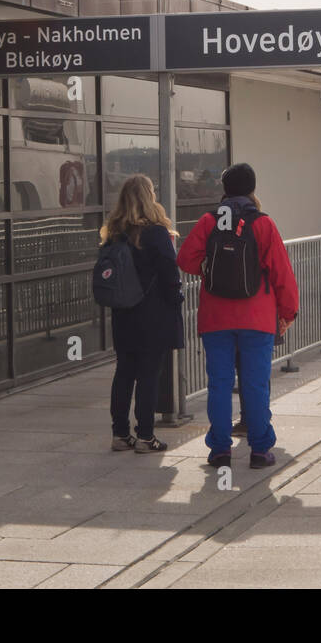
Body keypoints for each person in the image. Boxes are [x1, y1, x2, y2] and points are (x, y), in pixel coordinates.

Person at [177, 163, 299, 469]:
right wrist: (287, 312)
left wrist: (207, 268)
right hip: (256, 318)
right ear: (252, 190)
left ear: (224, 189)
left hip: (215, 318)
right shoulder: (262, 224)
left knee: (219, 384)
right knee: (255, 384)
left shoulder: (209, 221)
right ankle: (259, 450)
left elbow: (185, 260)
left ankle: (220, 450)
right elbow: (282, 272)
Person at [101, 174, 185, 454]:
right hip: (153, 315)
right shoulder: (155, 233)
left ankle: (120, 434)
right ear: (149, 197)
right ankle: (146, 436)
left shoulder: (113, 233)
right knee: (149, 374)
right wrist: (177, 299)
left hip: (123, 314)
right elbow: (170, 274)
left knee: (124, 372)